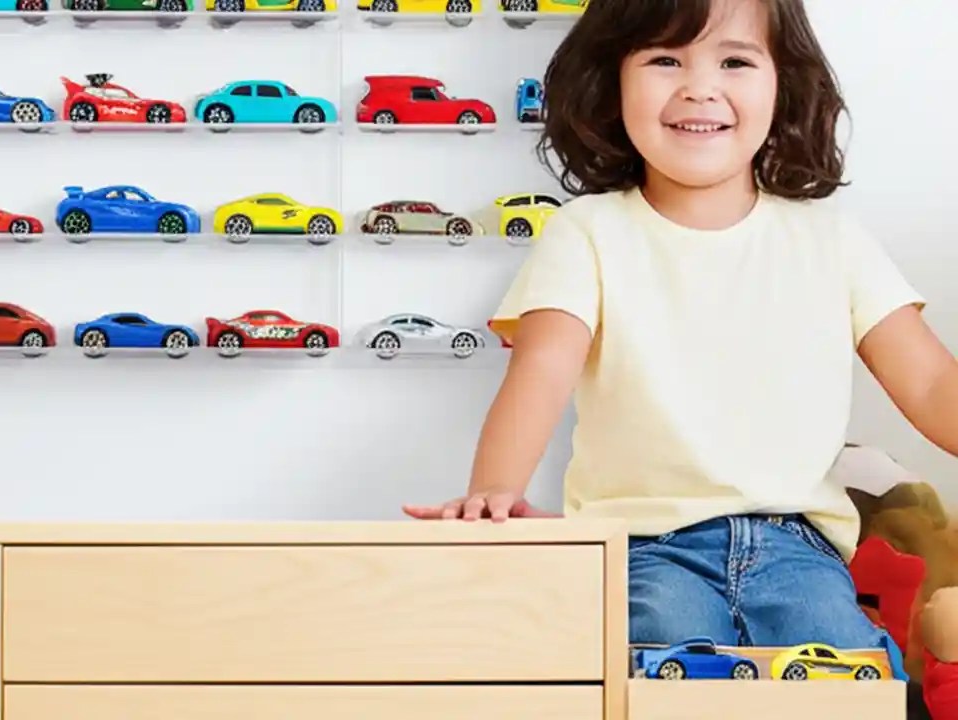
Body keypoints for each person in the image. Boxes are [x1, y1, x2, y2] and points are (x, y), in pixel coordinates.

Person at [403, 0, 958, 650]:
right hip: (643, 545)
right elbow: (542, 370)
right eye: (665, 59)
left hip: (799, 545)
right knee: (664, 654)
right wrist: (493, 492)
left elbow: (928, 385)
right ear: (613, 81)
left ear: (784, 85)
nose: (699, 86)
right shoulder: (588, 232)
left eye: (734, 60)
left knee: (842, 665)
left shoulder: (832, 239)